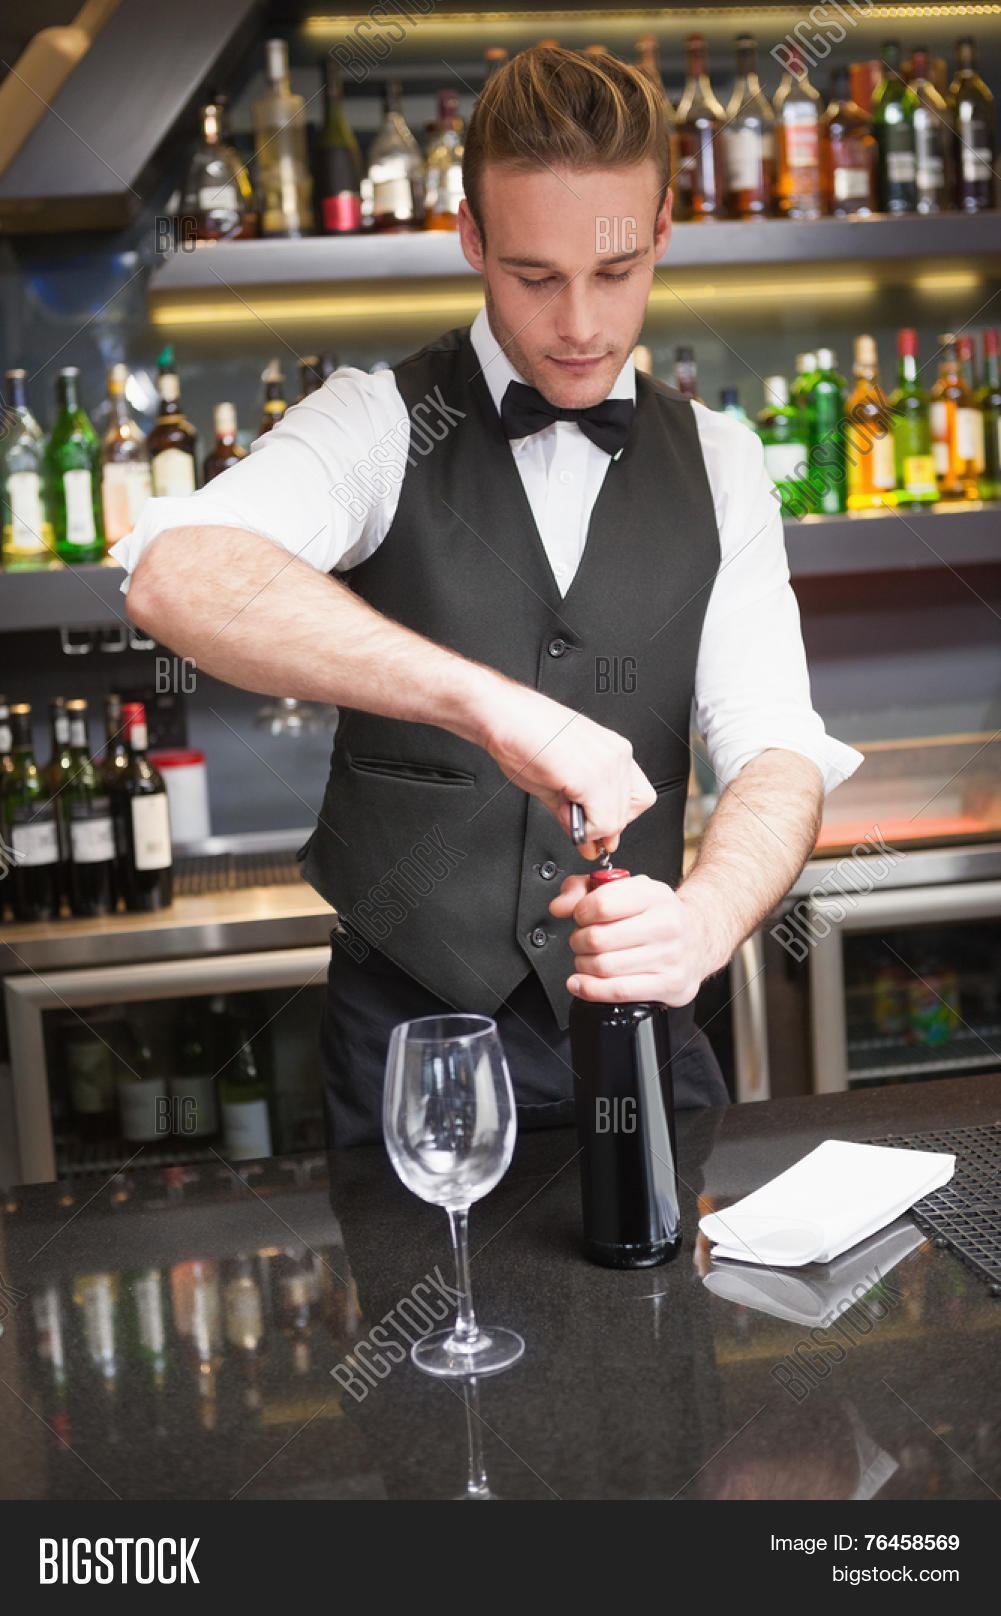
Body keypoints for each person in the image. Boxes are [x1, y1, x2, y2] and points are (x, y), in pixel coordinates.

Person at [113, 47, 861, 1146]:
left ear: (660, 234)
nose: (577, 325)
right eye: (531, 275)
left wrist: (700, 923)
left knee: (673, 1314)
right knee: (431, 1320)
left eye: (613, 275)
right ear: (469, 238)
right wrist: (493, 706)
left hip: (643, 1032)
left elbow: (775, 750)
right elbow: (176, 572)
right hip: (415, 1053)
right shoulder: (372, 423)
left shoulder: (721, 459)